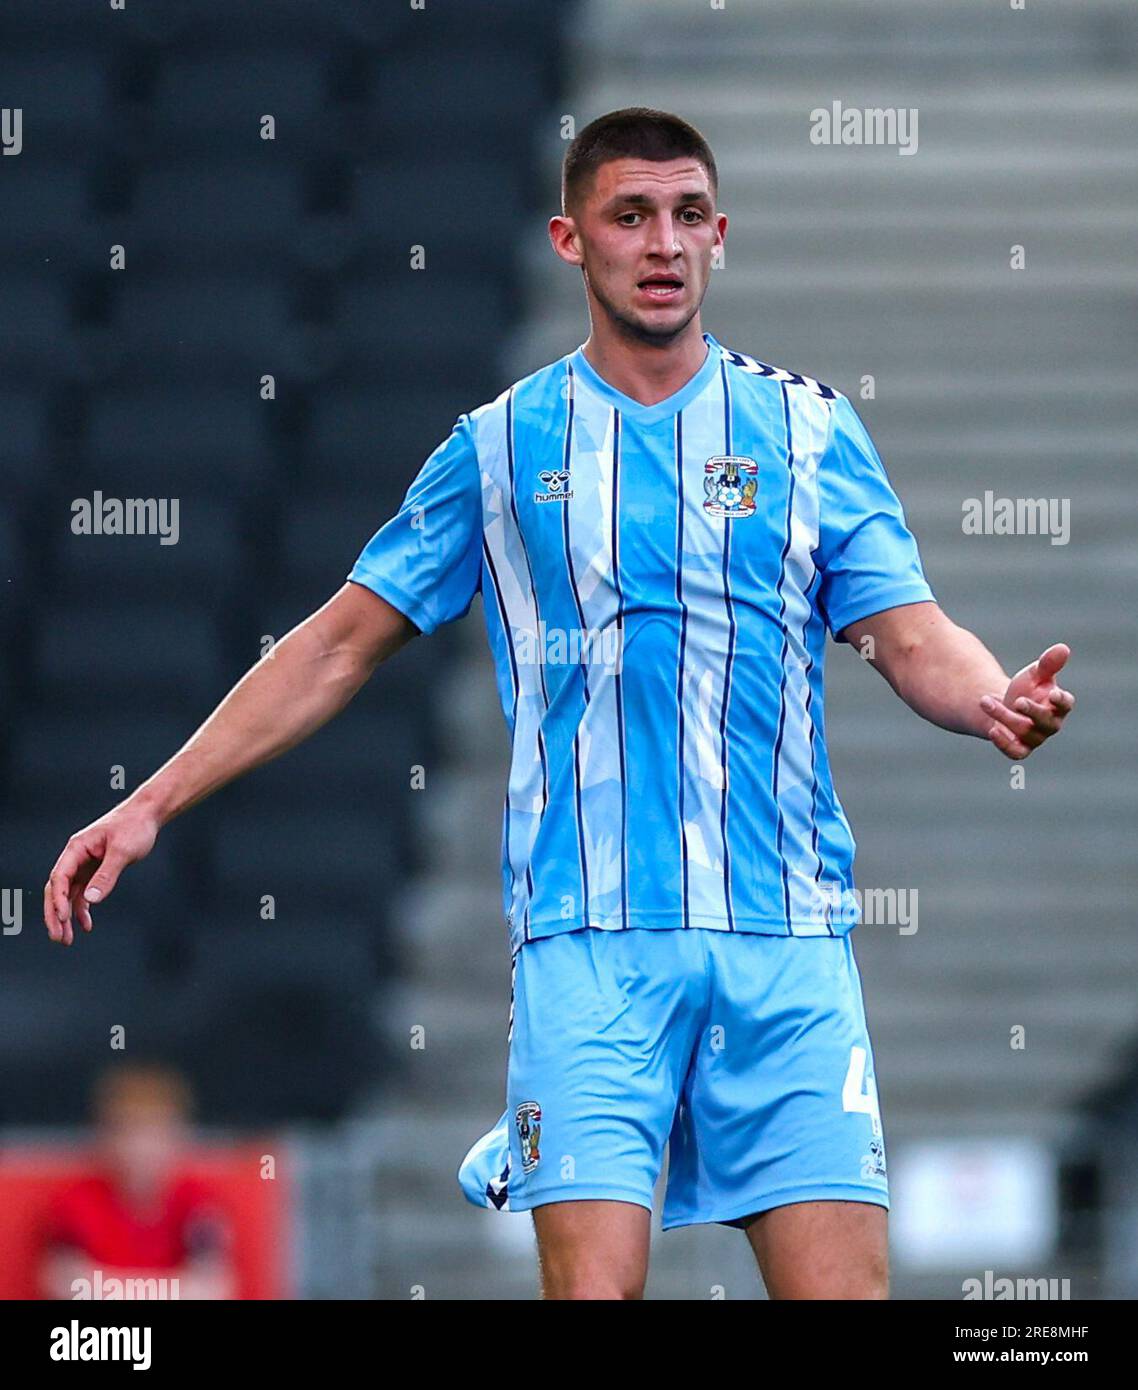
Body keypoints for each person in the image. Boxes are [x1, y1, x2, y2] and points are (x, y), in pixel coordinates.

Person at [43, 108, 1075, 1300]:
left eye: (688, 215)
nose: (663, 242)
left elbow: (911, 637)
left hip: (787, 944)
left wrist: (992, 697)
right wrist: (153, 803)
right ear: (569, 239)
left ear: (720, 234)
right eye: (630, 215)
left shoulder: (808, 429)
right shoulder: (499, 447)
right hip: (589, 949)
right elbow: (335, 644)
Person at [38, 1064, 234, 1300]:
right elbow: (65, 1286)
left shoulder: (199, 1204)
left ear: (178, 1137)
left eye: (154, 1134)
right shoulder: (73, 1204)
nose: (140, 1149)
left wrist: (106, 1287)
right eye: (128, 1132)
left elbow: (212, 1288)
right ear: (104, 1136)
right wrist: (172, 1290)